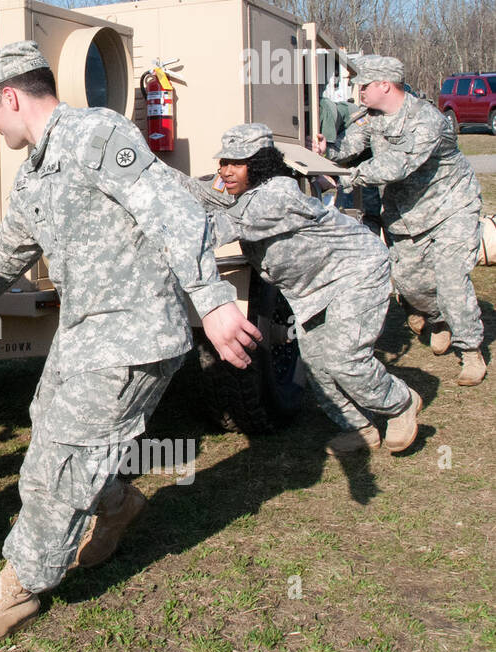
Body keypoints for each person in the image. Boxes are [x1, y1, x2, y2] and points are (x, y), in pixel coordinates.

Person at [0, 42, 261, 652]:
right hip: (85, 333)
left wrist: (214, 298)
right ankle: (117, 504)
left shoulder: (96, 135)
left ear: (10, 96)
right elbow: (10, 249)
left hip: (133, 335)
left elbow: (175, 207)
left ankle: (19, 585)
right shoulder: (35, 170)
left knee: (56, 464)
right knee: (50, 431)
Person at [179, 124, 420, 456]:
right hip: (311, 288)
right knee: (318, 364)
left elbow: (211, 230)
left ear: (260, 163)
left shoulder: (275, 197)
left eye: (237, 163)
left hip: (355, 273)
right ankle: (359, 427)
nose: (225, 171)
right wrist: (146, 172)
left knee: (344, 358)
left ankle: (400, 404)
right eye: (223, 163)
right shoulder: (243, 190)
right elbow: (201, 192)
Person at [315, 55, 486, 386]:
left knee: (451, 278)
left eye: (364, 86)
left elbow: (397, 165)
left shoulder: (427, 120)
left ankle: (470, 350)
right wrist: (327, 151)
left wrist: (346, 179)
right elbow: (349, 148)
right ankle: (437, 318)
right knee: (408, 283)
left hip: (452, 206)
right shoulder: (369, 116)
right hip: (407, 214)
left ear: (384, 85)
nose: (359, 92)